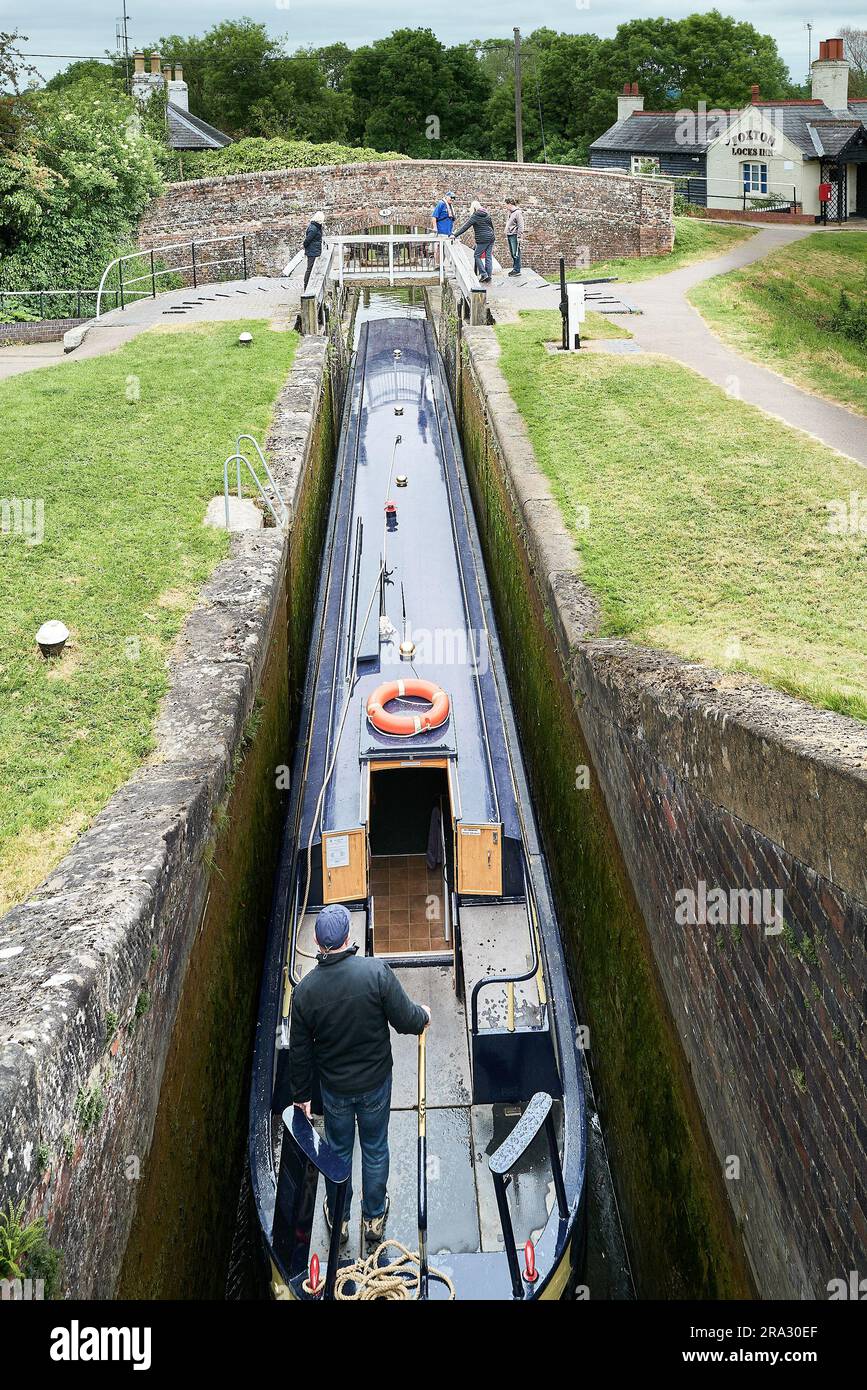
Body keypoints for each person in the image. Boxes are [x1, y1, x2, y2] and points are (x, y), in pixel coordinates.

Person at [289, 903, 431, 1248]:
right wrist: (423, 1015)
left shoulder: (305, 993)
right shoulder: (376, 973)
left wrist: (302, 1097)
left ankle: (339, 1221)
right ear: (348, 938)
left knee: (337, 1151)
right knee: (375, 1147)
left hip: (335, 1090)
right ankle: (374, 1218)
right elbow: (406, 1020)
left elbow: (300, 1052)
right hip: (376, 1084)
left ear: (318, 944)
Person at [451, 200, 496, 283]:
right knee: (488, 256)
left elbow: (465, 227)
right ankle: (489, 276)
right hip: (491, 237)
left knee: (477, 255)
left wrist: (455, 235)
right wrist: (492, 236)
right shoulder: (486, 214)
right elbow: (491, 226)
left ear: (474, 208)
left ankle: (483, 274)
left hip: (483, 239)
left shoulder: (475, 216)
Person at [302, 211, 325, 288]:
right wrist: (307, 248)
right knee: (310, 268)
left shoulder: (316, 227)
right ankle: (306, 285)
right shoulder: (314, 228)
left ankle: (309, 284)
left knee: (312, 268)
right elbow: (307, 240)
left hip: (314, 251)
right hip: (312, 252)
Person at [505, 197, 525, 276]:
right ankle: (515, 268)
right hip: (510, 234)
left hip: (514, 235)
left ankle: (517, 270)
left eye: (506, 205)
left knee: (515, 252)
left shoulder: (517, 213)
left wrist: (519, 237)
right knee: (512, 253)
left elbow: (521, 225)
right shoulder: (510, 212)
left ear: (510, 204)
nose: (506, 206)